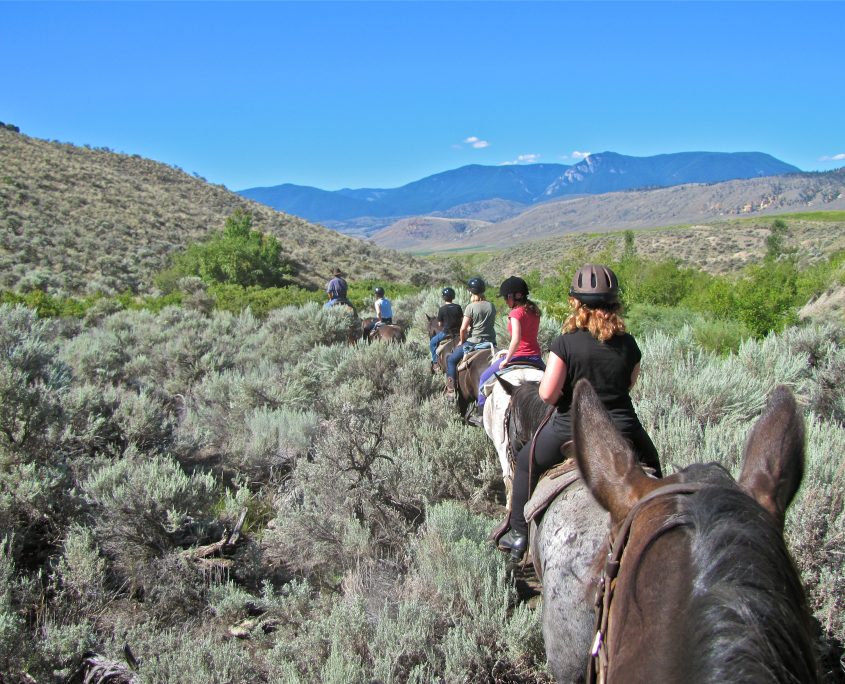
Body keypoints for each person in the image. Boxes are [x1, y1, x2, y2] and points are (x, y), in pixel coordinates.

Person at [497, 264, 663, 562]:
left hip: (570, 427)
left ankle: (519, 533)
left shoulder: (566, 343)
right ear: (615, 303)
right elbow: (629, 383)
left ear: (575, 303)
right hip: (623, 428)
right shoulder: (629, 343)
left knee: (524, 463)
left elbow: (547, 394)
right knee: (654, 466)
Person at [476, 276, 545, 410]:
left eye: (506, 297)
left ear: (514, 296)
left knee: (484, 378)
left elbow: (516, 340)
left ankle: (480, 410)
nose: (505, 300)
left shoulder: (515, 313)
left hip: (518, 356)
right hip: (536, 357)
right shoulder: (534, 311)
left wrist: (506, 359)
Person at [445, 276, 497, 396]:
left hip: (474, 341)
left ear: (470, 291)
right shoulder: (491, 306)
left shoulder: (471, 307)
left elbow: (463, 329)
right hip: (491, 342)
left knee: (451, 360)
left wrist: (462, 341)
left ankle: (451, 389)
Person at [430, 287, 464, 371]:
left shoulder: (442, 309)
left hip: (446, 333)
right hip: (458, 333)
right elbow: (462, 319)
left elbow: (440, 324)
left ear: (443, 297)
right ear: (453, 297)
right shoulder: (458, 307)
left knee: (432, 343)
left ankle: (435, 363)